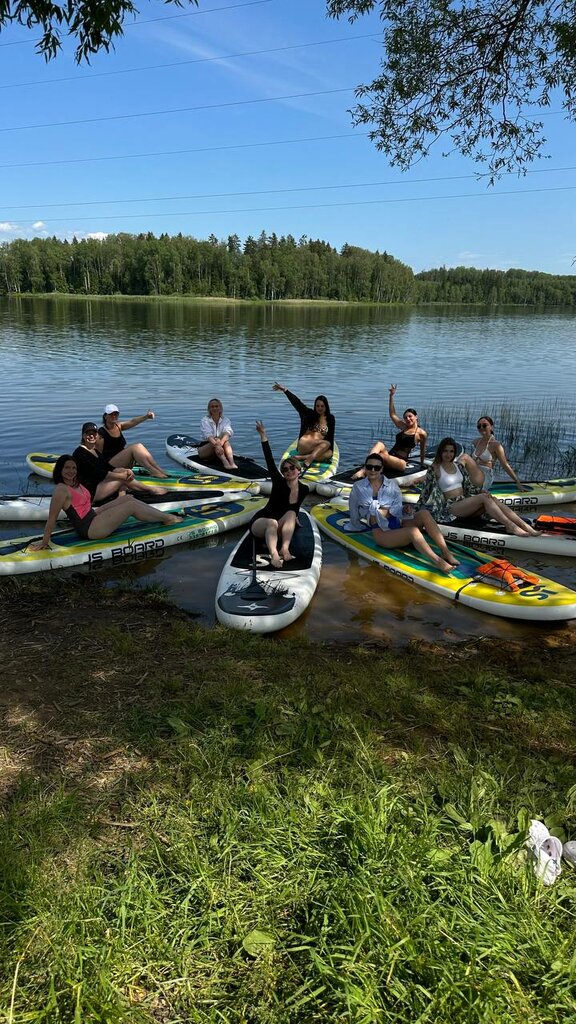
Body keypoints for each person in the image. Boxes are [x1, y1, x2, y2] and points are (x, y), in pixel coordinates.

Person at [30, 455, 182, 549]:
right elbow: (52, 518)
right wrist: (44, 542)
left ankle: (161, 516)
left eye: (73, 468)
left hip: (92, 516)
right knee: (130, 506)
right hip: (89, 528)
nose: (71, 471)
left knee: (128, 498)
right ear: (60, 469)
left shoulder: (76, 483)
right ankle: (168, 519)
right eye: (67, 468)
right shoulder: (61, 490)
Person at [345, 452, 459, 574]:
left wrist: (405, 510)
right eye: (369, 467)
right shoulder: (358, 487)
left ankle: (445, 551)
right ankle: (438, 562)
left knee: (424, 513)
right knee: (413, 531)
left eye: (377, 467)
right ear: (365, 467)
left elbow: (396, 510)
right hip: (382, 532)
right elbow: (357, 509)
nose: (373, 470)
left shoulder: (391, 485)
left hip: (397, 523)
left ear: (382, 469)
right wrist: (355, 525)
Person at [417, 438, 540, 536]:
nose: (448, 454)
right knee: (483, 498)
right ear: (440, 452)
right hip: (450, 508)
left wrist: (481, 491)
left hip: (465, 503)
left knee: (492, 499)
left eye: (451, 451)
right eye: (445, 451)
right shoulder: (435, 469)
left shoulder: (458, 466)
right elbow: (425, 492)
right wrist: (416, 509)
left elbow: (468, 487)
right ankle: (510, 526)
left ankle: (525, 526)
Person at [250, 421, 309, 568]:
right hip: (262, 523)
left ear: (298, 469)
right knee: (272, 522)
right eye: (285, 470)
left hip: (279, 526)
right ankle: (274, 555)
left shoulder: (304, 489)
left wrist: (294, 517)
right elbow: (269, 460)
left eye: (292, 468)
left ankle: (284, 548)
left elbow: (295, 508)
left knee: (290, 513)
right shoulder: (278, 482)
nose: (288, 471)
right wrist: (263, 436)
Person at [74, 422, 167, 501]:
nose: (91, 436)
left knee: (123, 474)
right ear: (83, 436)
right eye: (88, 434)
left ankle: (121, 498)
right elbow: (98, 473)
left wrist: (123, 470)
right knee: (122, 479)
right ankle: (150, 490)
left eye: (94, 433)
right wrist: (120, 475)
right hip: (89, 492)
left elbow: (107, 467)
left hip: (99, 484)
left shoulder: (95, 451)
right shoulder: (79, 453)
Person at [353, 384, 427, 480]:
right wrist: (391, 396)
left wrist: (422, 465)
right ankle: (365, 468)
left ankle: (364, 471)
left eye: (410, 416)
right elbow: (392, 414)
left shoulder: (421, 433)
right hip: (390, 456)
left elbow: (422, 450)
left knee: (380, 456)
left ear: (416, 417)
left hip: (401, 462)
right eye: (405, 417)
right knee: (379, 444)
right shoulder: (403, 426)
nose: (407, 419)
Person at [96, 403, 169, 478]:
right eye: (111, 414)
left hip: (123, 462)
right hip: (110, 466)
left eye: (116, 414)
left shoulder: (119, 426)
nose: (114, 416)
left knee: (139, 445)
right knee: (135, 448)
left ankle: (159, 469)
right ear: (105, 416)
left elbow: (132, 421)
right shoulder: (101, 434)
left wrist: (146, 416)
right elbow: (98, 455)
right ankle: (153, 471)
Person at [272, 382, 335, 467]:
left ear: (326, 406)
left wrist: (329, 453)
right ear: (315, 406)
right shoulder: (309, 414)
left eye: (322, 406)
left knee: (329, 453)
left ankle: (303, 457)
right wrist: (285, 390)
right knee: (327, 444)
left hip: (316, 447)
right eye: (317, 406)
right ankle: (309, 459)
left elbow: (331, 437)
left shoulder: (330, 419)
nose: (319, 408)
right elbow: (298, 403)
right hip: (304, 444)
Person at [458, 415, 527, 491]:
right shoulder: (476, 442)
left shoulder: (496, 445)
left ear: (491, 427)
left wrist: (518, 482)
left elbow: (505, 465)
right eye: (479, 426)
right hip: (475, 474)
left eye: (484, 425)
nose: (481, 428)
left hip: (485, 477)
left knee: (464, 457)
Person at [198, 398, 238, 469]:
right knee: (216, 440)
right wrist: (217, 445)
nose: (214, 408)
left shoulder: (226, 420)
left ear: (220, 408)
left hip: (220, 446)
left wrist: (221, 443)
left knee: (225, 440)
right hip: (206, 449)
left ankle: (232, 463)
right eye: (212, 407)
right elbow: (209, 436)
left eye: (216, 406)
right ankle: (225, 462)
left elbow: (228, 432)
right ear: (209, 409)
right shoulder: (205, 420)